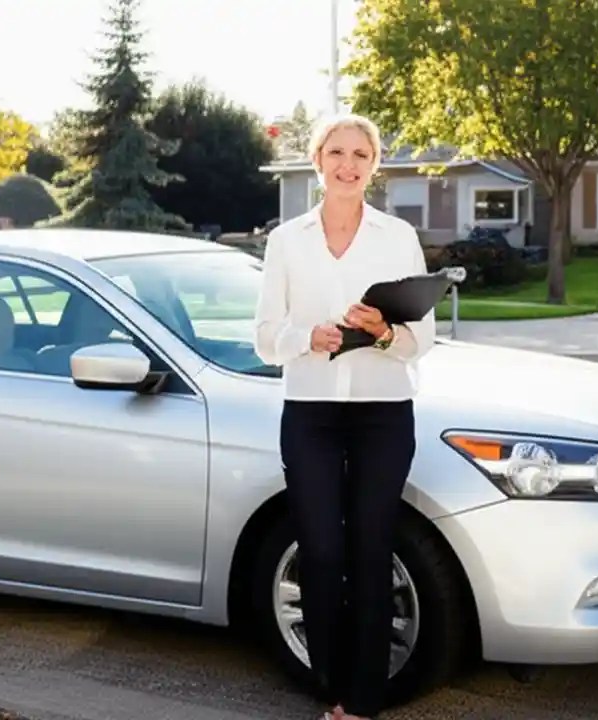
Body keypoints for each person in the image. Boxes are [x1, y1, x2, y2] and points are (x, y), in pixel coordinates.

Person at [252, 114, 435, 720]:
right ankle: (330, 683)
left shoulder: (397, 237)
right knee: (322, 552)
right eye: (337, 152)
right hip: (311, 414)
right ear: (317, 160)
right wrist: (309, 336)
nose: (348, 164)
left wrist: (382, 331)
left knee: (371, 550)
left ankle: (360, 702)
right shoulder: (287, 240)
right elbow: (264, 338)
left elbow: (421, 339)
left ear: (374, 165)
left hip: (384, 413)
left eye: (360, 154)